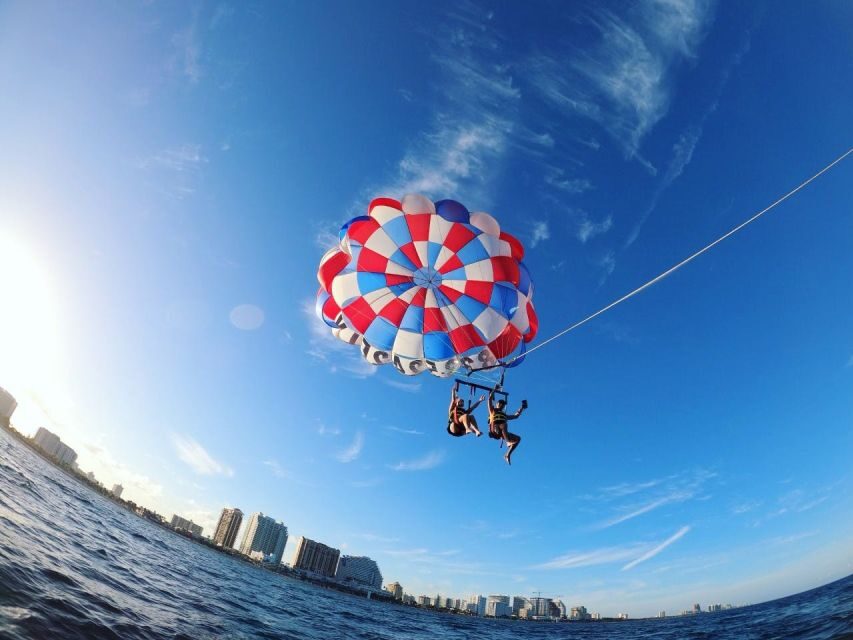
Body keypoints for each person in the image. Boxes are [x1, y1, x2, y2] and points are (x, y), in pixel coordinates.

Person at [488, 390, 527, 465]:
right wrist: (494, 389)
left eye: (503, 405)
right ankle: (508, 441)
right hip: (494, 430)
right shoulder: (492, 410)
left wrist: (522, 408)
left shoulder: (504, 415)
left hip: (502, 433)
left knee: (518, 439)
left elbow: (516, 416)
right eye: (500, 404)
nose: (502, 405)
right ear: (497, 404)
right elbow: (489, 399)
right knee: (504, 424)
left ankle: (507, 455)